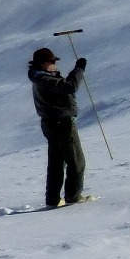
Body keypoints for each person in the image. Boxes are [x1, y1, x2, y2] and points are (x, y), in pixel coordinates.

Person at [28, 47, 91, 207]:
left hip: (51, 123)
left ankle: (53, 199)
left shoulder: (41, 78)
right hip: (61, 123)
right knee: (76, 161)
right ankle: (73, 197)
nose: (55, 64)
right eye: (52, 62)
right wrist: (79, 69)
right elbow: (69, 87)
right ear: (43, 64)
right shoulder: (44, 80)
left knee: (56, 162)